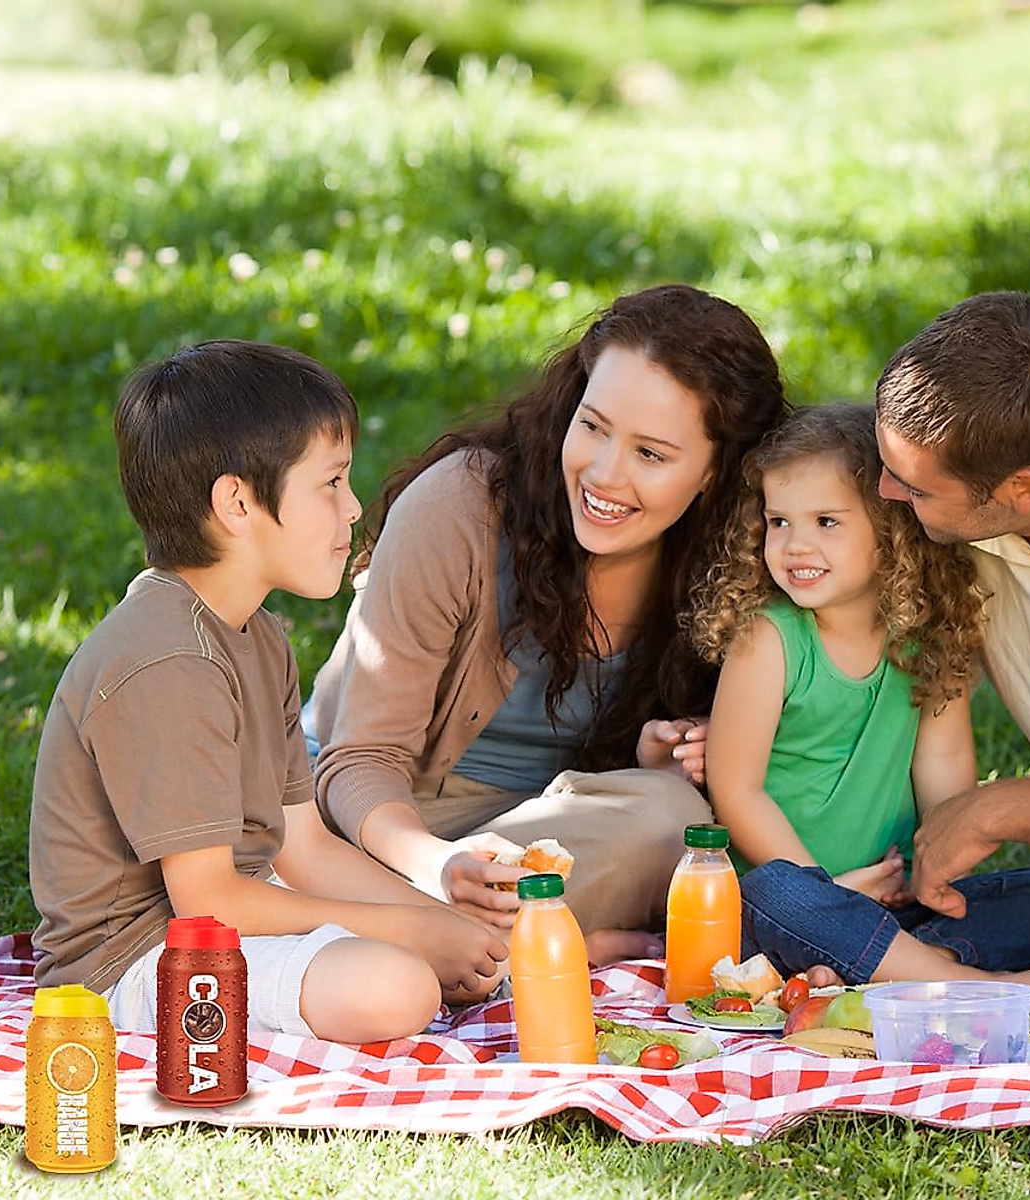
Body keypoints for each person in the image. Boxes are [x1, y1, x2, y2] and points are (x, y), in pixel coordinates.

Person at [29, 340, 508, 1045]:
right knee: (396, 984)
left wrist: (435, 919)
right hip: (135, 961)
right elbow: (208, 904)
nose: (353, 508)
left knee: (450, 951)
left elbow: (303, 846)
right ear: (238, 503)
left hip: (234, 915)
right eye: (331, 482)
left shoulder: (258, 636)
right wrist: (409, 931)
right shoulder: (170, 661)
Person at [305, 283, 790, 964]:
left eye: (651, 454)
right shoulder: (459, 509)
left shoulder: (742, 564)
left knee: (672, 820)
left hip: (551, 837)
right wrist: (436, 865)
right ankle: (532, 946)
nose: (604, 474)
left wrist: (666, 758)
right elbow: (358, 760)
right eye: (593, 427)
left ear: (716, 470)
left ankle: (453, 946)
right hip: (385, 824)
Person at [693, 402, 1030, 997]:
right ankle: (976, 985)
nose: (795, 545)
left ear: (890, 532)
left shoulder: (931, 637)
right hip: (792, 905)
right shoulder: (768, 639)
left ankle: (895, 967)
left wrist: (936, 874)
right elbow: (736, 790)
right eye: (779, 521)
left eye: (826, 522)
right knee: (774, 894)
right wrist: (825, 888)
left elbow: (944, 765)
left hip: (895, 900)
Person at [873, 291, 1030, 920]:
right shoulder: (972, 534)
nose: (885, 491)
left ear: (1023, 489)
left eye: (916, 488)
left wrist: (993, 809)